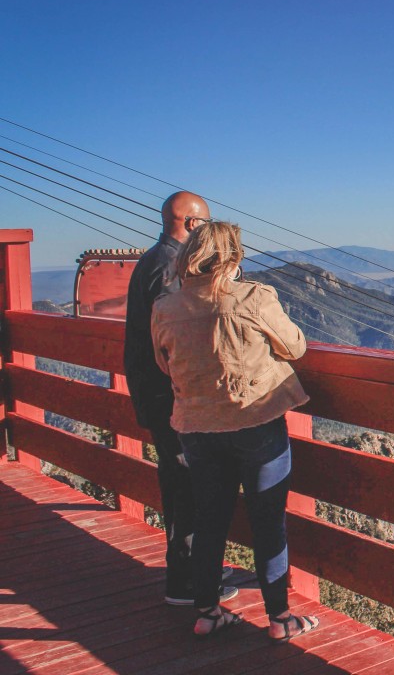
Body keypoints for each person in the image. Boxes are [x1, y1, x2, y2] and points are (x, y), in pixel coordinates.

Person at [151, 220, 319, 641]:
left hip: (196, 427)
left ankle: (207, 612)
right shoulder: (253, 298)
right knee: (268, 522)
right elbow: (295, 346)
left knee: (209, 520)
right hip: (254, 422)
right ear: (233, 256)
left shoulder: (164, 308)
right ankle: (280, 619)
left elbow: (162, 363)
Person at [123, 191, 237, 606]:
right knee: (187, 483)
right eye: (206, 224)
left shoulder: (153, 259)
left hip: (158, 394)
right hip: (171, 397)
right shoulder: (170, 267)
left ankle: (195, 568)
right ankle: (187, 583)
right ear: (191, 224)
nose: (208, 231)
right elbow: (175, 339)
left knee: (181, 481)